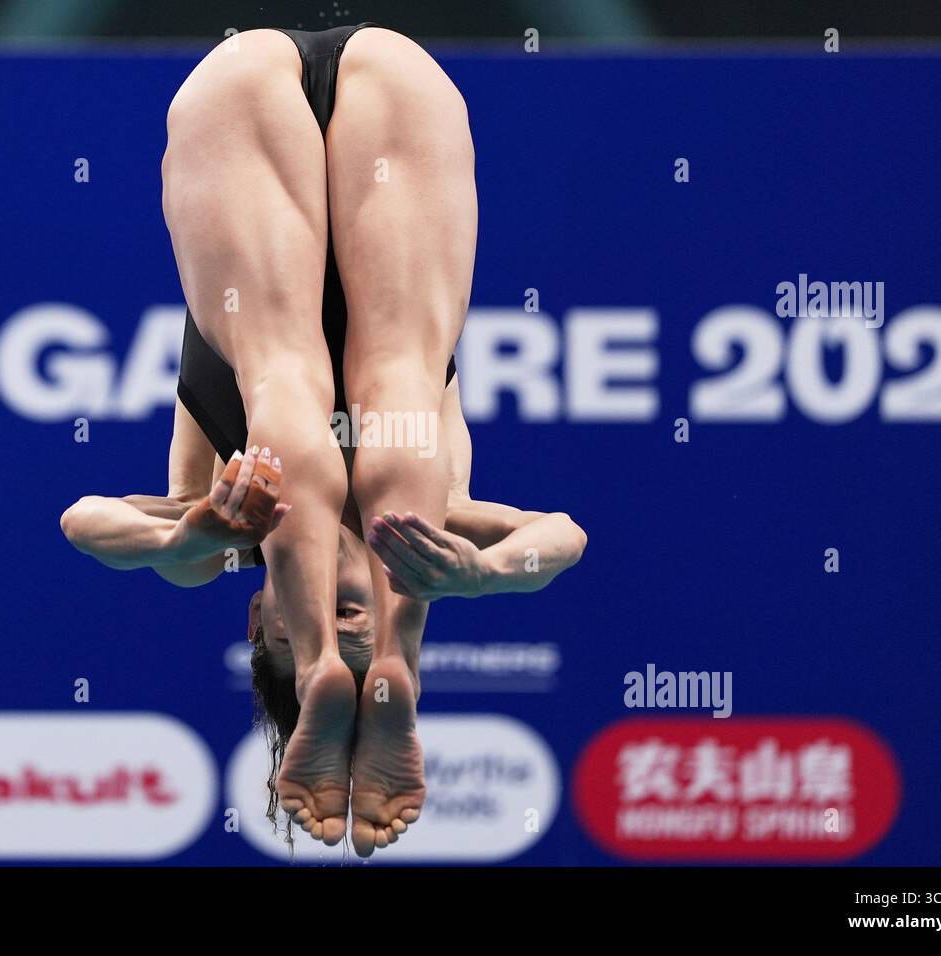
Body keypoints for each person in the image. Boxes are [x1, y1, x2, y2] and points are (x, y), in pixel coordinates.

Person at [60, 24, 585, 857]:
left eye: (312, 631)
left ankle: (332, 676)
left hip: (244, 96)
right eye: (361, 635)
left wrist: (185, 534)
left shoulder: (218, 535)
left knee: (286, 390)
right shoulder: (440, 518)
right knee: (395, 388)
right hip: (395, 90)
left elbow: (84, 522)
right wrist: (482, 576)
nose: (350, 625)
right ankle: (393, 663)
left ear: (258, 612)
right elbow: (562, 537)